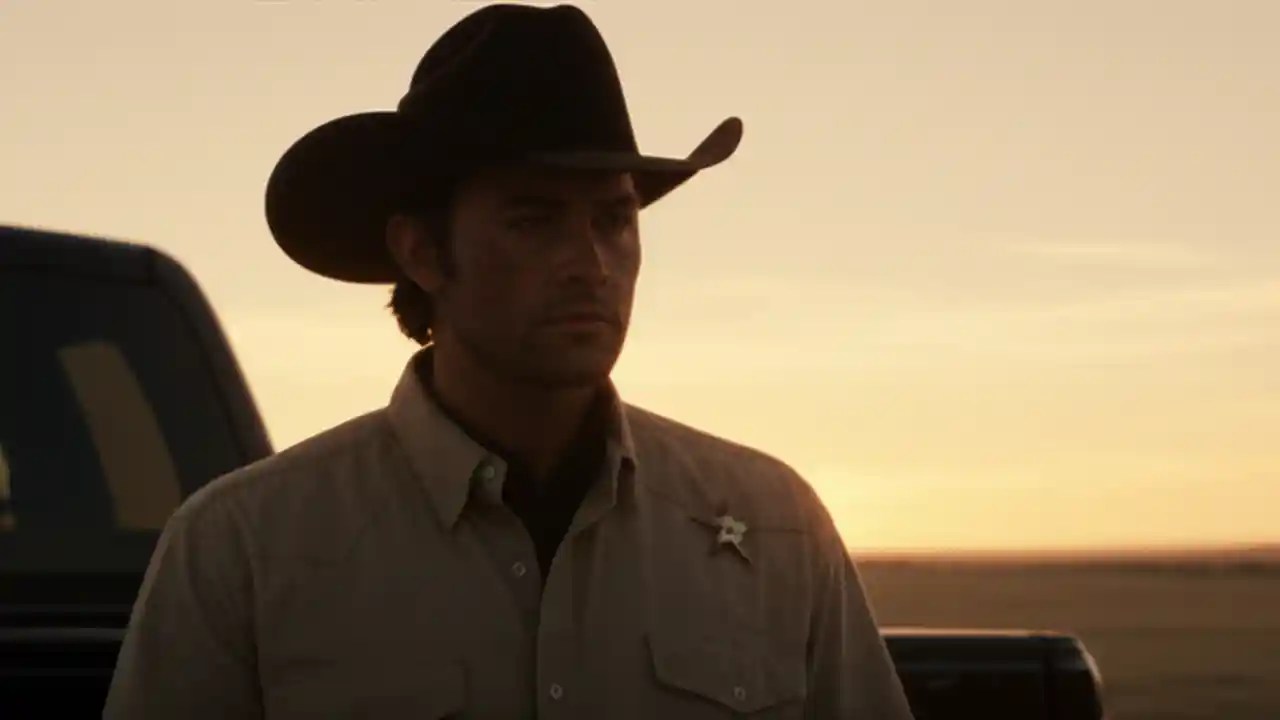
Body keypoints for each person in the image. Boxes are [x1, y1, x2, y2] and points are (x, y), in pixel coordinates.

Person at [104, 4, 914, 718]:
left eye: (613, 221)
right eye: (535, 219)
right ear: (422, 249)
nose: (591, 264)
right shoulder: (246, 547)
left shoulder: (773, 525)